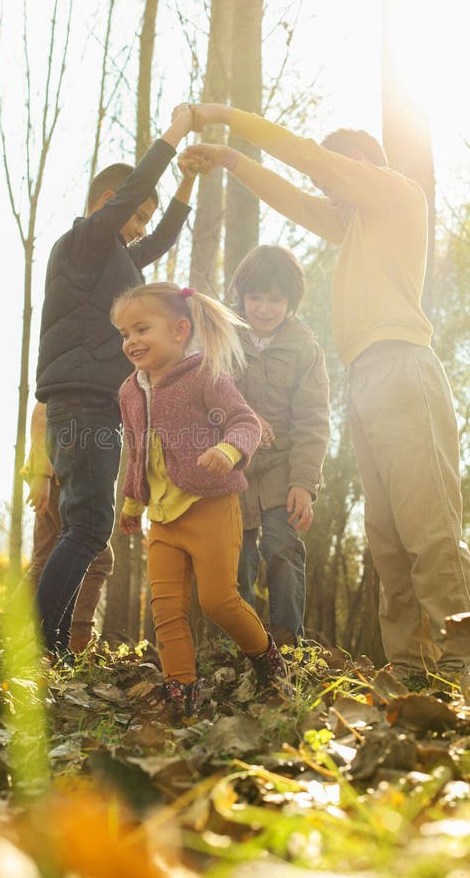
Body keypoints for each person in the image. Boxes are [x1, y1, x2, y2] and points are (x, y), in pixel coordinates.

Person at [179, 102, 470, 677]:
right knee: (386, 538)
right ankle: (411, 666)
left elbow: (307, 160)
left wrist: (223, 115)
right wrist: (233, 160)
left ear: (357, 164)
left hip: (403, 367)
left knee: (428, 529)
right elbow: (292, 199)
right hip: (363, 380)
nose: (324, 195)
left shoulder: (397, 196)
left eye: (331, 181)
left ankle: (462, 658)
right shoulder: (355, 224)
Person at [35, 104, 197, 657]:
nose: (140, 228)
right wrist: (176, 133)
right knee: (87, 527)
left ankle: (53, 645)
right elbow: (132, 196)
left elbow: (161, 242)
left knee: (83, 526)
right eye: (136, 216)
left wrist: (187, 181)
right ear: (109, 203)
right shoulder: (83, 243)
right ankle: (45, 646)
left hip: (94, 402)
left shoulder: (113, 260)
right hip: (81, 398)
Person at [112, 281, 289, 720]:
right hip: (162, 517)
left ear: (179, 330)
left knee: (218, 601)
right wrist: (133, 502)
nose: (131, 341)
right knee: (166, 607)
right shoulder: (129, 392)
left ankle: (267, 659)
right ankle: (182, 690)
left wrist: (228, 450)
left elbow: (245, 422)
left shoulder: (204, 375)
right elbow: (136, 451)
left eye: (141, 329)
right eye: (124, 334)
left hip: (210, 505)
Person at [230, 245, 330, 642]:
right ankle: (241, 646)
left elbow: (313, 419)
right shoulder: (225, 337)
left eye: (275, 299)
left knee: (282, 548)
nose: (264, 308)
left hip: (282, 469)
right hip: (232, 468)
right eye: (255, 297)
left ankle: (288, 646)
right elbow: (206, 399)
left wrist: (304, 483)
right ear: (242, 295)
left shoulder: (304, 347)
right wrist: (241, 416)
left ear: (290, 301)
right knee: (236, 557)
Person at [22, 402, 113, 653]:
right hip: (57, 474)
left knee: (44, 559)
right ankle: (78, 640)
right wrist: (43, 473)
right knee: (99, 557)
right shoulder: (69, 382)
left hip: (54, 471)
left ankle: (7, 631)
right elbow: (42, 416)